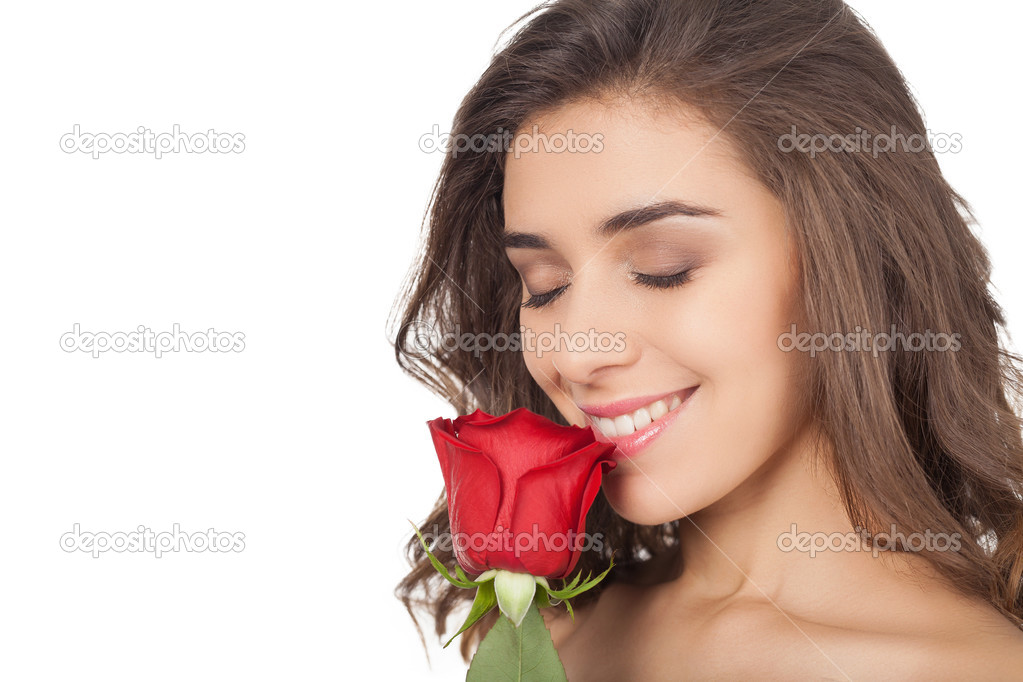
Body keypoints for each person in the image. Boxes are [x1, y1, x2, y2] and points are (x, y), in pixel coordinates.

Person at [394, 0, 1023, 677]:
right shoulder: (540, 636)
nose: (574, 353)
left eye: (663, 268)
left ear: (851, 259)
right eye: (543, 284)